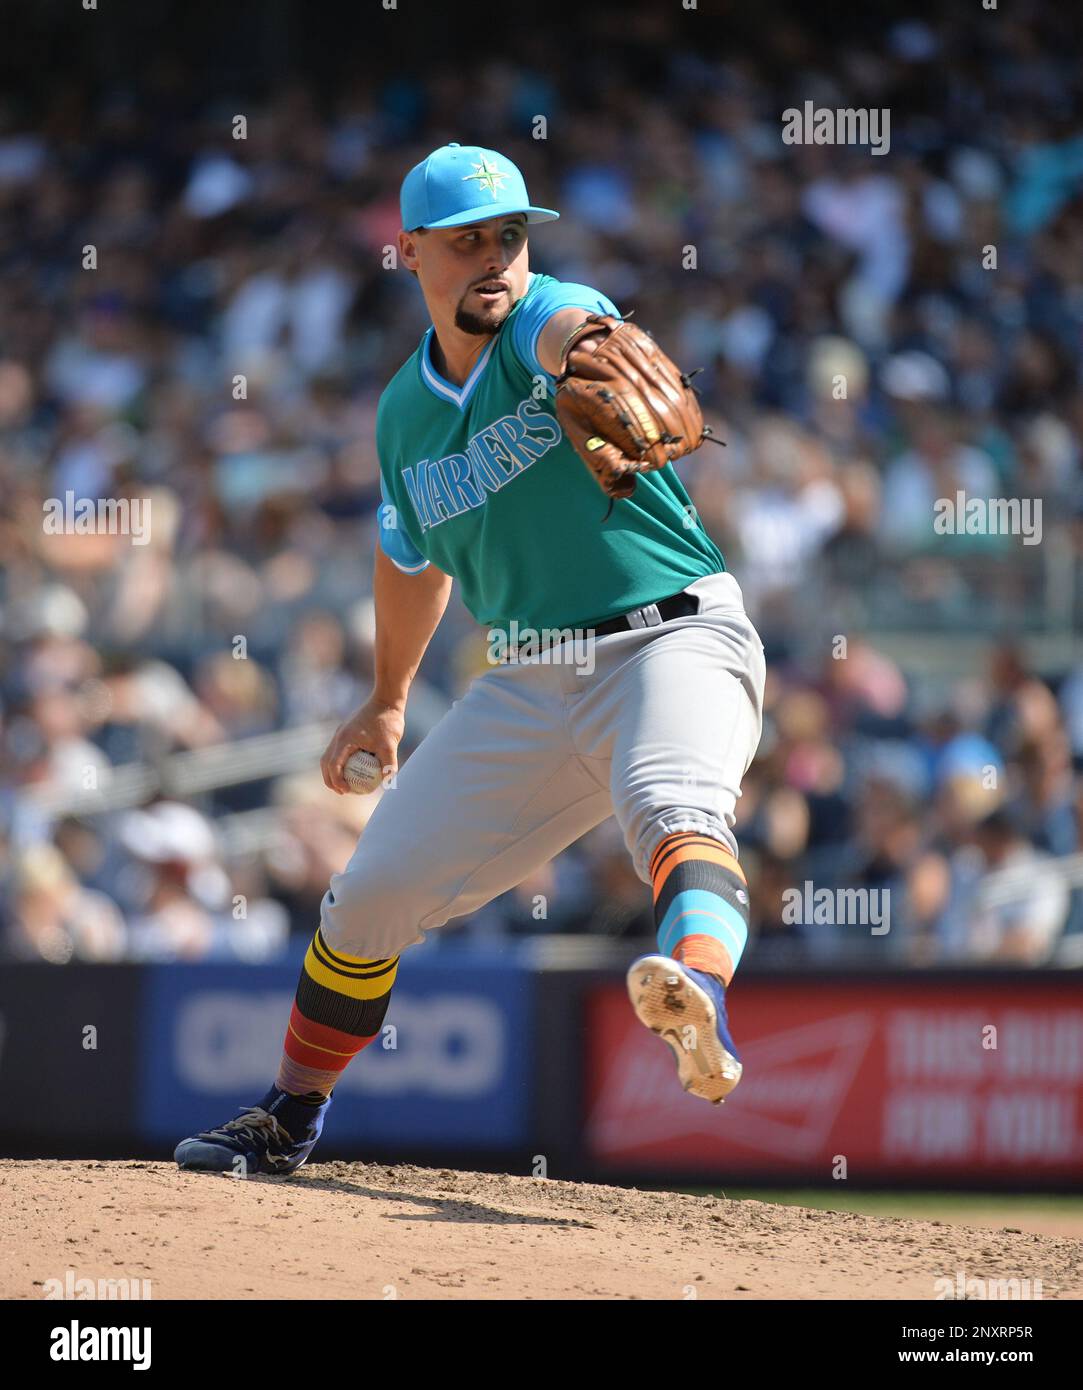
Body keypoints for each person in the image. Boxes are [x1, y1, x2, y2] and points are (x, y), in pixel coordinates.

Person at [175, 144, 767, 1175]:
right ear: (408, 254)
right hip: (527, 680)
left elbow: (580, 329)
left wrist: (597, 339)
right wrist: (386, 699)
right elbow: (411, 557)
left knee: (676, 810)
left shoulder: (549, 317)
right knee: (367, 899)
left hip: (673, 638)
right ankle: (290, 1116)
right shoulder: (403, 415)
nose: (496, 257)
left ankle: (695, 989)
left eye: (511, 234)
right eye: (467, 241)